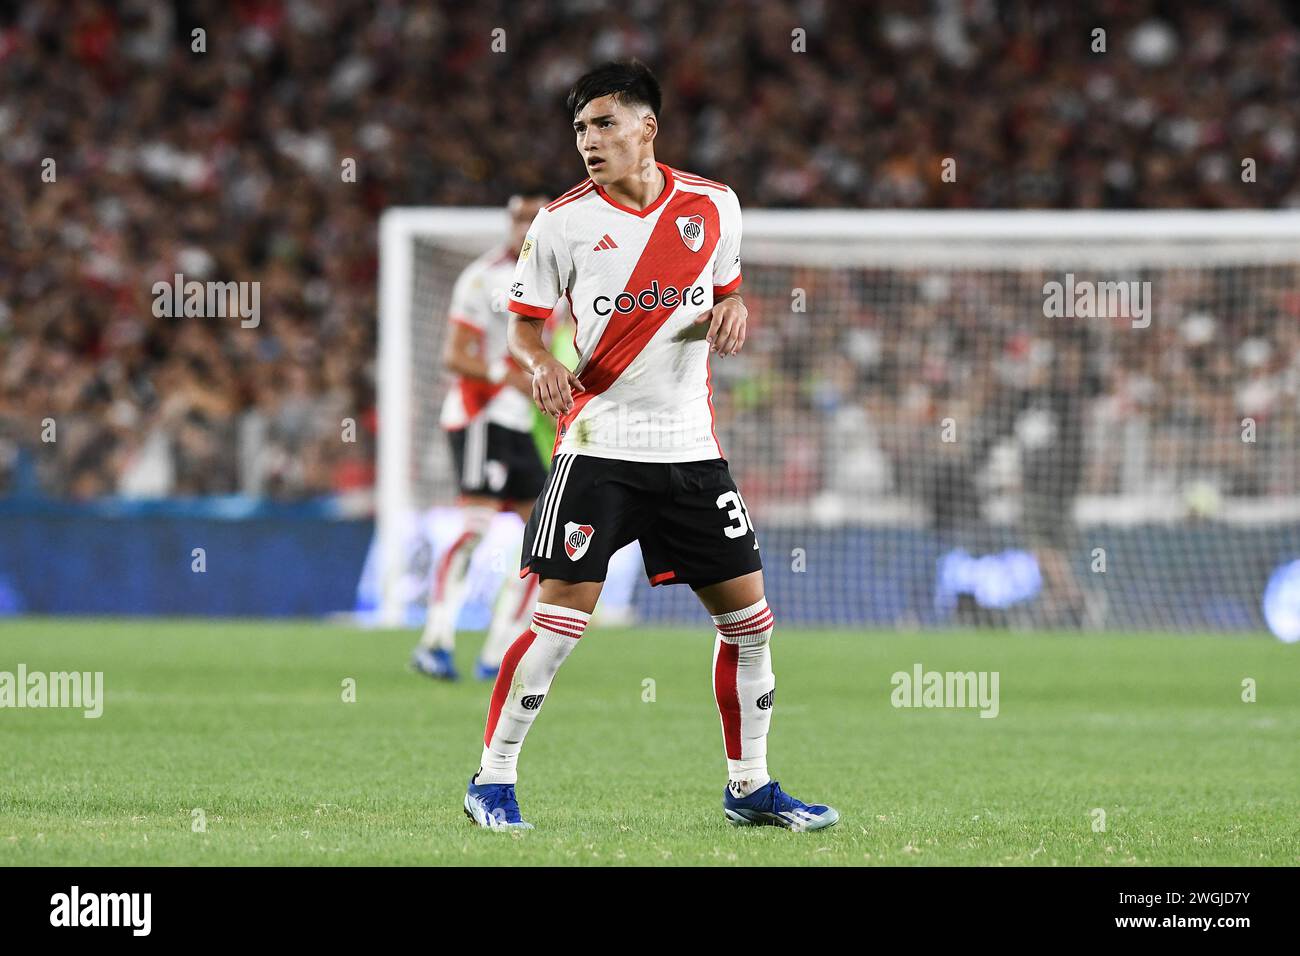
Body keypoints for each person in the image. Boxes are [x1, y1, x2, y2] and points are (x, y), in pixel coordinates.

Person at [462, 60, 837, 832]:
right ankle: (491, 779)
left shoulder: (715, 206)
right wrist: (541, 367)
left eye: (603, 124)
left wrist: (735, 314)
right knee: (561, 625)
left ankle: (751, 787)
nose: (589, 141)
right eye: (579, 129)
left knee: (752, 625)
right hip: (599, 449)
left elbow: (724, 295)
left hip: (692, 452)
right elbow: (523, 324)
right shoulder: (561, 222)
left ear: (646, 128)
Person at [411, 195, 550, 681]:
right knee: (475, 530)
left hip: (522, 425)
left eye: (534, 218)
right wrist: (504, 374)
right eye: (517, 217)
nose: (524, 226)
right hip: (481, 417)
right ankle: (436, 641)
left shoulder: (562, 279)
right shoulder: (482, 277)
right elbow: (454, 355)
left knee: (542, 539)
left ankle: (498, 655)